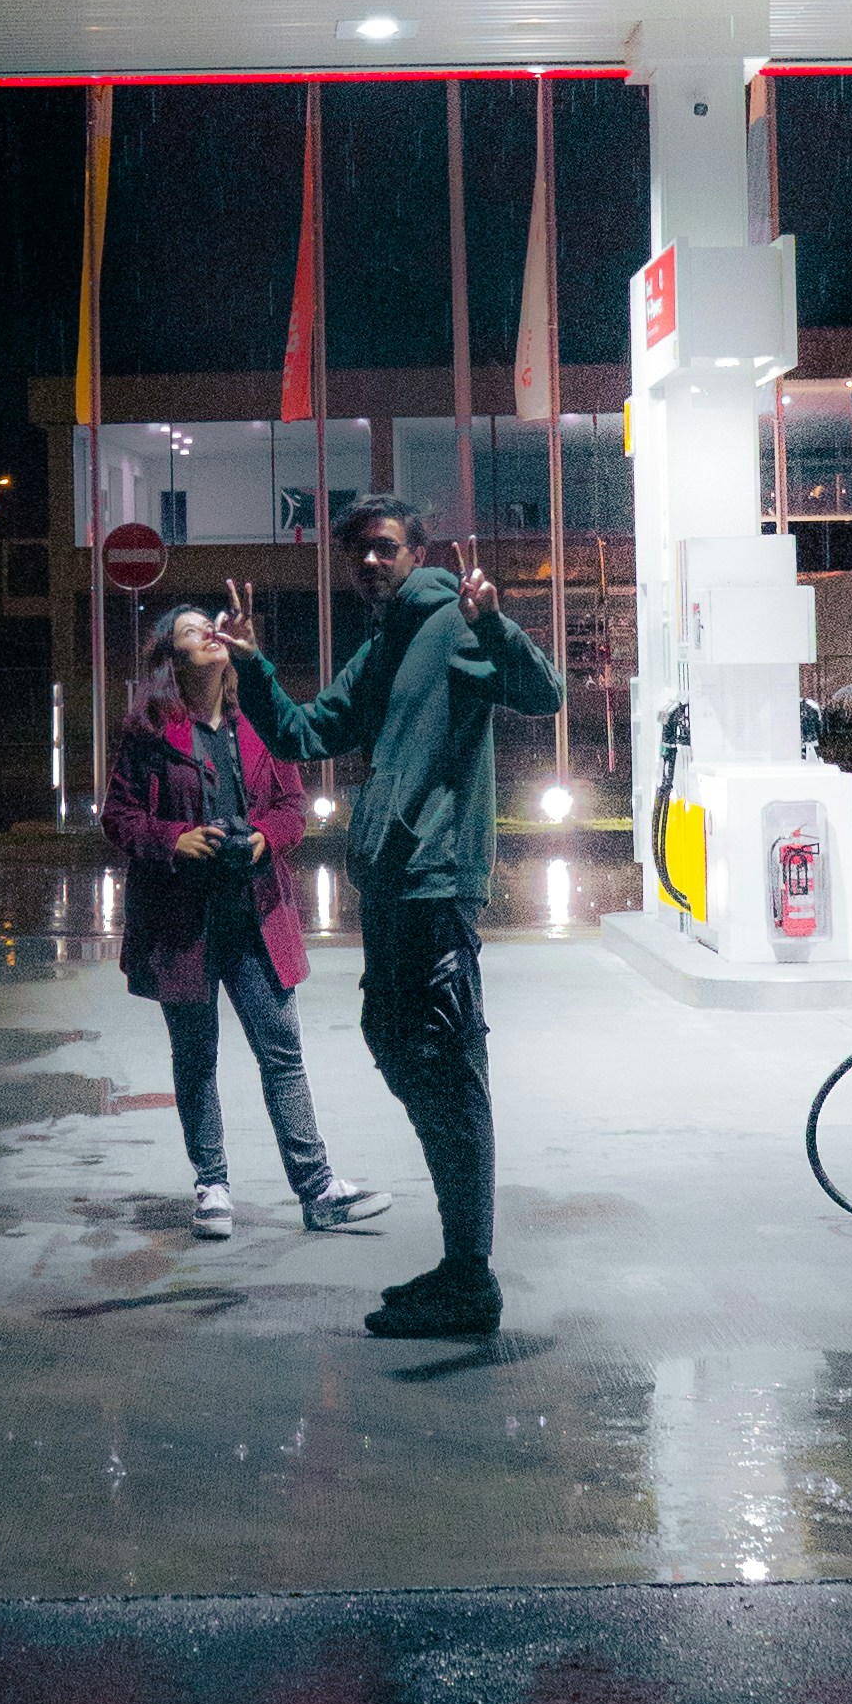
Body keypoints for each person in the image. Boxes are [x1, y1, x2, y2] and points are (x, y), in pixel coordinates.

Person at [221, 495, 561, 1335]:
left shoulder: (451, 619)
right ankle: (460, 1263)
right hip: (395, 880)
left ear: (417, 551)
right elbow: (308, 732)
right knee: (400, 1045)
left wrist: (496, 626)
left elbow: (543, 694)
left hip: (437, 877)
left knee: (448, 1067)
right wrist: (255, 665)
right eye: (356, 553)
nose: (368, 562)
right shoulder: (387, 642)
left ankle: (470, 1277)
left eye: (382, 548)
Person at [104, 605, 389, 1244]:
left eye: (211, 626)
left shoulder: (256, 720)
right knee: (196, 1057)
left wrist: (263, 836)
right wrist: (174, 839)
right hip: (182, 922)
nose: (208, 633)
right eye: (190, 630)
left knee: (281, 1054)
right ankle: (212, 1186)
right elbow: (118, 817)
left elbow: (293, 809)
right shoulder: (149, 731)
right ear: (170, 657)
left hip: (256, 916)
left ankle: (317, 1190)